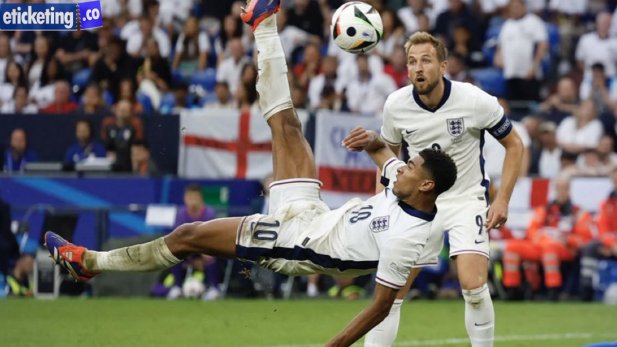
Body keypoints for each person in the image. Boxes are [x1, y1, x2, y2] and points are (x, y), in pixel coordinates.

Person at [44, 1, 458, 345]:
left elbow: (380, 306)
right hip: (310, 212)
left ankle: (90, 262)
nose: (402, 165)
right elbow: (384, 154)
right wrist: (370, 141)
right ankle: (264, 22)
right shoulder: (403, 187)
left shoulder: (409, 237)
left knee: (188, 236)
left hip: (291, 244)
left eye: (412, 165)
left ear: (425, 184)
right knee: (288, 126)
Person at [367, 31, 524, 347]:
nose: (418, 68)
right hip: (419, 203)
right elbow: (387, 161)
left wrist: (502, 199)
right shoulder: (395, 105)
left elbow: (515, 145)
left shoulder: (475, 100)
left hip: (466, 199)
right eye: (412, 62)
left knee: (473, 286)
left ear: (443, 65)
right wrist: (382, 207)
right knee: (390, 295)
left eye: (426, 60)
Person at [503, 175, 594, 300]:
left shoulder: (578, 213)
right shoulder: (545, 210)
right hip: (541, 245)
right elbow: (532, 231)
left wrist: (567, 239)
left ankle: (553, 290)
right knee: (512, 247)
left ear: (569, 190)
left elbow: (585, 239)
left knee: (550, 248)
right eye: (558, 189)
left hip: (565, 247)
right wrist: (543, 238)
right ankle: (512, 289)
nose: (561, 192)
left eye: (564, 189)